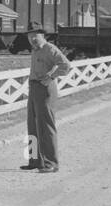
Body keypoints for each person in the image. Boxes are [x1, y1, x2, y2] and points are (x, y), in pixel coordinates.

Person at [21, 22, 72, 173]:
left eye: (35, 35)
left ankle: (51, 163)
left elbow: (66, 65)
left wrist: (51, 76)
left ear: (42, 35)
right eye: (30, 36)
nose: (32, 39)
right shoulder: (35, 50)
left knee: (46, 126)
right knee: (32, 125)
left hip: (45, 89)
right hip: (34, 88)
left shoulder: (49, 49)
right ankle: (35, 161)